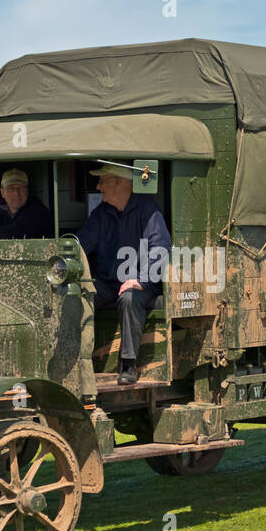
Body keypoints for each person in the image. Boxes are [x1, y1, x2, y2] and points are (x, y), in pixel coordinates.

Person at [77, 163, 170, 384]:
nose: (98, 187)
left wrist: (141, 280)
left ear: (117, 182)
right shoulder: (101, 213)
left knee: (129, 298)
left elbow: (160, 248)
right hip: (109, 283)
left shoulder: (148, 209)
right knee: (78, 293)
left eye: (102, 181)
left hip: (142, 284)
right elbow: (80, 244)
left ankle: (128, 366)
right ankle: (76, 360)